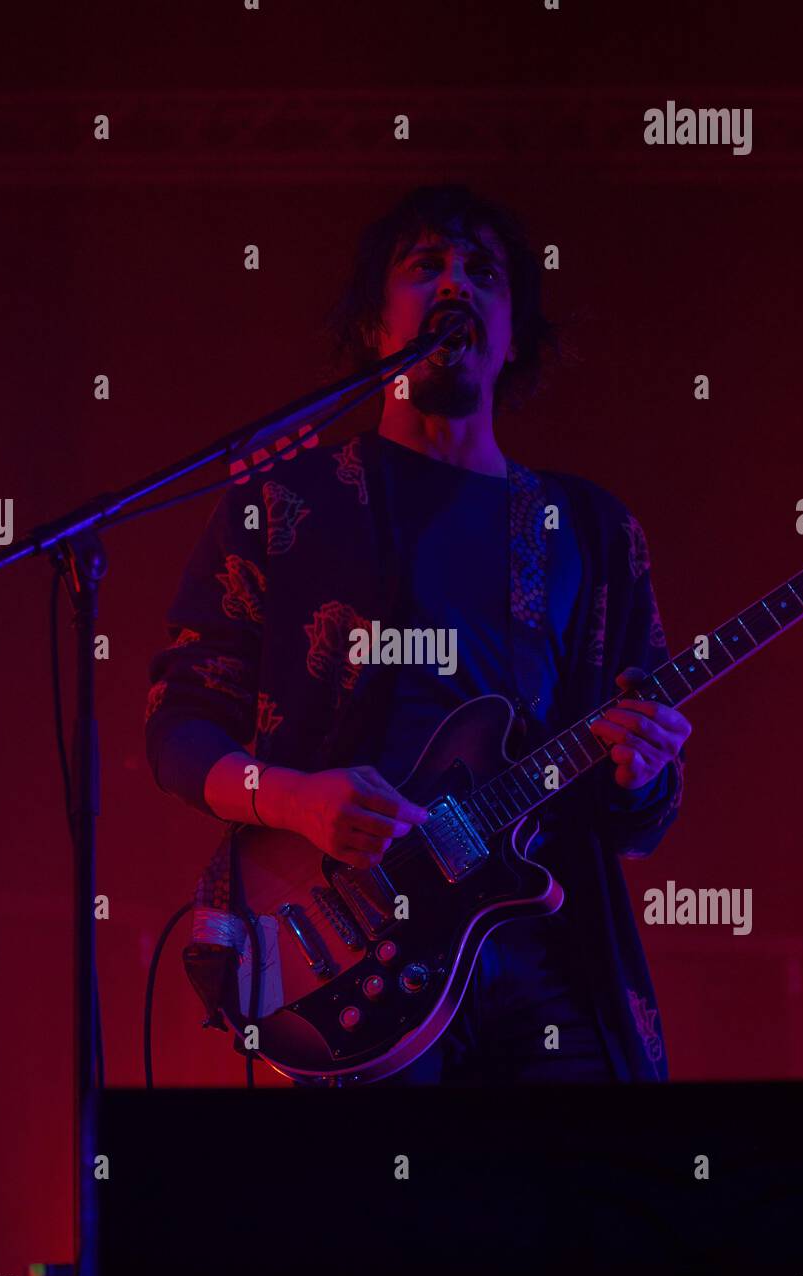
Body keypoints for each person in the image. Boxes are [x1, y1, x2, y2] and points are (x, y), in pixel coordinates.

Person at [145, 183, 691, 1086]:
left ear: (515, 334)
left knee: (595, 1212)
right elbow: (176, 725)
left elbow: (640, 815)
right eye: (425, 265)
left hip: (551, 946)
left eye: (484, 273)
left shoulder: (592, 530)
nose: (456, 286)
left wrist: (645, 769)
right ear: (372, 322)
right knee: (387, 1220)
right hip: (361, 950)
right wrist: (295, 799)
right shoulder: (287, 504)